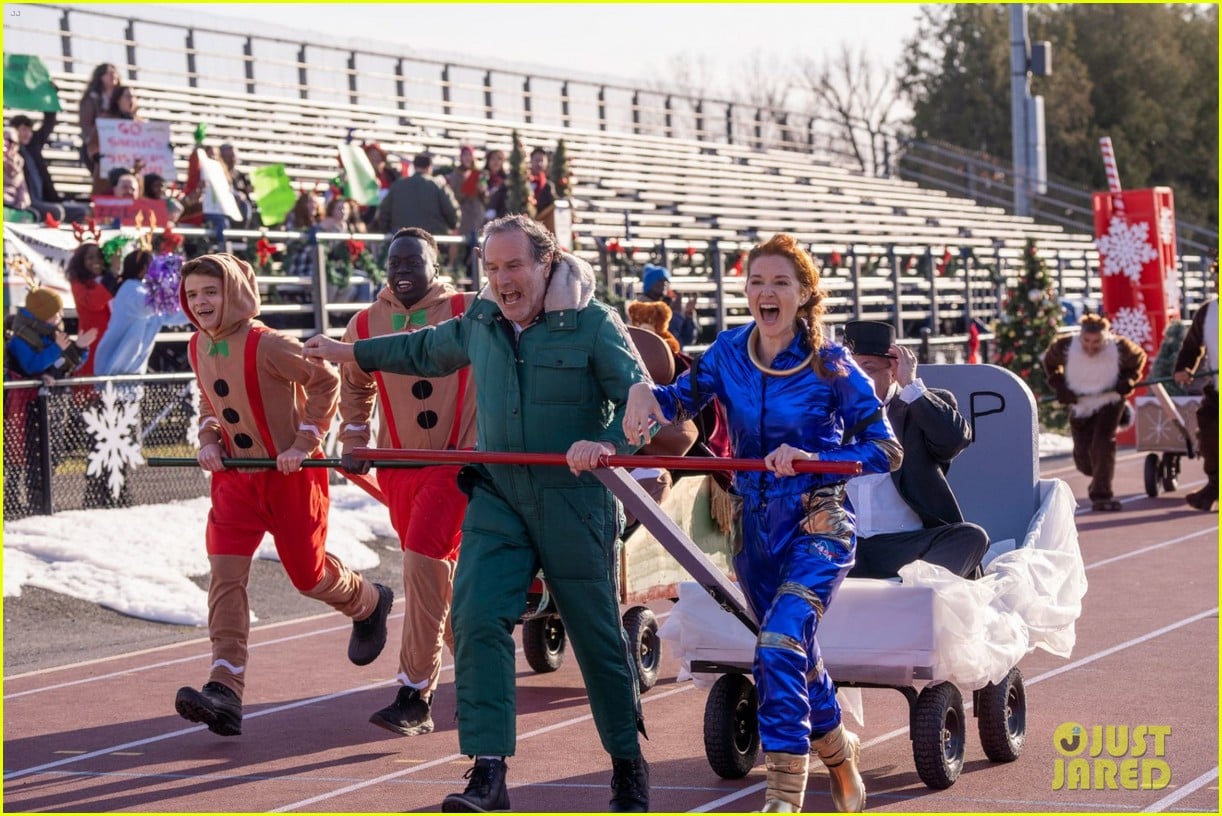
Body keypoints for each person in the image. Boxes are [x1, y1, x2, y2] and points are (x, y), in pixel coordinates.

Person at [304, 214, 652, 813]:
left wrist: (610, 443)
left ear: (546, 263)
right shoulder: (482, 320)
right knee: (475, 617)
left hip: (573, 501)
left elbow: (644, 407)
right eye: (492, 268)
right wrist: (349, 351)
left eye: (514, 265)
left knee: (596, 639)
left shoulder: (595, 323)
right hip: (498, 497)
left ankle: (627, 764)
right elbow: (421, 349)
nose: (503, 280)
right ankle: (487, 771)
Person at [623, 233, 900, 813]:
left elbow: (885, 449)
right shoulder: (728, 351)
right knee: (794, 650)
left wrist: (813, 459)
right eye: (756, 282)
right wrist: (644, 396)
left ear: (804, 294)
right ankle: (840, 753)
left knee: (776, 644)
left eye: (779, 282)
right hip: (753, 531)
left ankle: (783, 796)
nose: (765, 292)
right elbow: (679, 401)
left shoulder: (831, 363)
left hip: (818, 523)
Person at [173, 253, 394, 737]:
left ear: (234, 292)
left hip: (290, 477)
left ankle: (368, 601)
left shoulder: (269, 344)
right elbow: (209, 400)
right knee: (224, 576)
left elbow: (325, 381)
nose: (201, 302)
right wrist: (208, 439)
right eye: (192, 294)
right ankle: (224, 687)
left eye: (210, 291)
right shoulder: (196, 345)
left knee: (307, 576)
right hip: (235, 479)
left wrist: (303, 442)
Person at [336, 227, 476, 737]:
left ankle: (415, 694)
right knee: (433, 578)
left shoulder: (469, 309)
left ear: (436, 267)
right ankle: (482, 669)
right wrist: (354, 437)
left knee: (422, 560)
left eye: (414, 261)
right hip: (397, 467)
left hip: (457, 463)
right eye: (394, 261)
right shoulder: (364, 323)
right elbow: (354, 385)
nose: (401, 269)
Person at [842, 320, 989, 580]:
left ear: (893, 370)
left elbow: (953, 440)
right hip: (844, 545)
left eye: (868, 369)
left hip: (906, 545)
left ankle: (914, 590)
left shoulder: (919, 403)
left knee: (971, 537)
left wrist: (911, 386)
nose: (857, 380)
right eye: (850, 369)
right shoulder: (827, 415)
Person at [3, 286, 97, 515]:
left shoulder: (52, 334)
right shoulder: (22, 337)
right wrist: (56, 350)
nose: (60, 317)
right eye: (55, 313)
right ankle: (22, 501)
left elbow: (64, 364)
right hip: (24, 405)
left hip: (51, 401)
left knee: (52, 453)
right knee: (23, 454)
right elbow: (31, 365)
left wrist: (80, 348)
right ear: (42, 313)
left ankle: (41, 500)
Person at [1043, 314, 1147, 512]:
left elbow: (1139, 358)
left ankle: (1102, 494)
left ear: (1105, 337)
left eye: (1096, 342)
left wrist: (1128, 380)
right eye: (1087, 341)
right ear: (1080, 336)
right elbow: (1050, 363)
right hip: (1080, 403)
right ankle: (1098, 472)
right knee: (1083, 456)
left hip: (1109, 400)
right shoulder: (1065, 346)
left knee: (1103, 443)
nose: (1091, 346)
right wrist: (1059, 385)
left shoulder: (1120, 347)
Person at [93, 249, 187, 376]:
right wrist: (170, 284)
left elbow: (171, 314)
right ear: (143, 269)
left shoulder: (148, 293)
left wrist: (199, 309)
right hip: (112, 368)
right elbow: (149, 306)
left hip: (133, 373)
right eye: (153, 265)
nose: (157, 270)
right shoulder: (130, 288)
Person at [1173, 276, 1218, 512]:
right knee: (1210, 437)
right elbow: (1192, 345)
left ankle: (1212, 491)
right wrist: (1183, 368)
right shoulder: (1207, 312)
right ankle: (1215, 484)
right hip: (1217, 390)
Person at [11, 112, 87, 223]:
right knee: (57, 212)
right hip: (25, 203)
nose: (28, 134)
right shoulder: (8, 152)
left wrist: (50, 105)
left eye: (30, 130)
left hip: (44, 201)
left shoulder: (33, 147)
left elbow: (48, 124)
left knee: (80, 211)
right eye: (24, 129)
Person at [373, 153, 459, 237]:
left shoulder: (397, 185)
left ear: (414, 167)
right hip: (432, 239)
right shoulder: (439, 186)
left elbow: (384, 212)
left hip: (402, 239)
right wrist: (452, 227)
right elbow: (453, 213)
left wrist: (387, 231)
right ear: (430, 167)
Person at [66, 242, 114, 376]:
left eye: (99, 257)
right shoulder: (78, 283)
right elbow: (93, 303)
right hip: (92, 339)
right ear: (81, 261)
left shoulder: (111, 279)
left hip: (113, 337)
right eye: (90, 257)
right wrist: (108, 283)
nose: (96, 261)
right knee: (91, 377)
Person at [78, 63, 121, 186]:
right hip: (98, 148)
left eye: (114, 72)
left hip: (120, 147)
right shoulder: (92, 98)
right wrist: (93, 145)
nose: (113, 75)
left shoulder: (123, 97)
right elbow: (86, 124)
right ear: (100, 77)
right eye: (108, 73)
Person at [446, 145, 486, 269]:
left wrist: (482, 190)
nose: (467, 158)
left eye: (470, 155)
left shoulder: (479, 174)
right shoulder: (455, 175)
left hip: (477, 215)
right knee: (459, 245)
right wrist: (468, 185)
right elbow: (455, 196)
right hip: (462, 216)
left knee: (476, 245)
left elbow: (485, 196)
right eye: (465, 155)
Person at [640, 262, 698, 347]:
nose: (664, 284)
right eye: (660, 280)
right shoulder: (642, 307)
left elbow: (688, 340)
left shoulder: (668, 305)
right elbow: (666, 340)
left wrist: (688, 315)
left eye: (666, 281)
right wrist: (676, 314)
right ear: (650, 284)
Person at [529, 147, 557, 234]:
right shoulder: (522, 182)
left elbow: (552, 205)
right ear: (531, 161)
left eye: (542, 161)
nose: (539, 164)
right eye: (536, 160)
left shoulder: (548, 186)